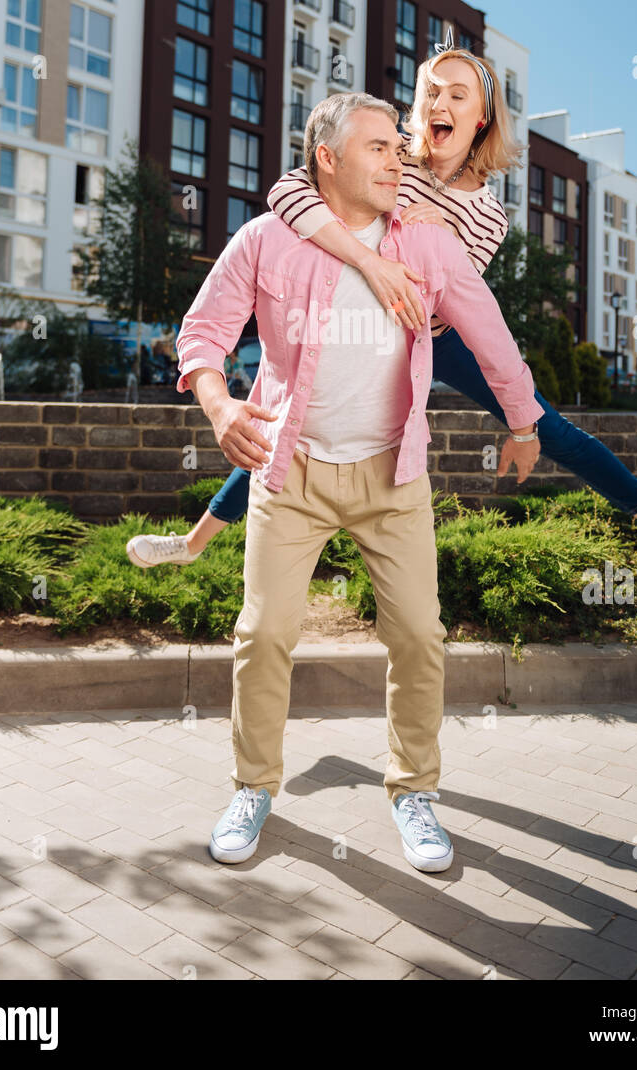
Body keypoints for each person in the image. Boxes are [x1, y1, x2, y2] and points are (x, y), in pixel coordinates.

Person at [129, 33, 637, 590]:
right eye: (431, 93)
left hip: (434, 336)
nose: (439, 106)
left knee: (551, 428)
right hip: (358, 323)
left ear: (481, 118)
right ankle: (191, 545)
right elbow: (288, 192)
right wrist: (374, 251)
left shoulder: (490, 215)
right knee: (286, 430)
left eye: (457, 95)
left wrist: (437, 242)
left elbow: (452, 291)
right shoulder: (387, 158)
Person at [146, 91, 545, 869]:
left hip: (393, 475)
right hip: (289, 471)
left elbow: (491, 334)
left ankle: (413, 793)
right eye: (377, 147)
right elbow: (202, 333)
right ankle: (253, 786)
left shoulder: (427, 248)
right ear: (325, 159)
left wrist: (524, 422)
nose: (398, 158)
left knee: (419, 637)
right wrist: (220, 401)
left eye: (400, 146)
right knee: (263, 634)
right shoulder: (266, 240)